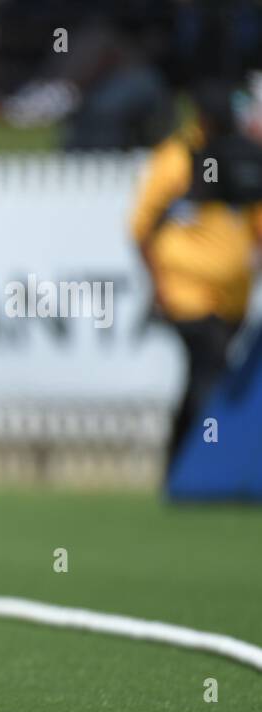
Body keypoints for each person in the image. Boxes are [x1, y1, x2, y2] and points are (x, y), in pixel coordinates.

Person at [130, 81, 262, 479]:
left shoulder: (244, 159)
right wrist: (158, 286)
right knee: (212, 374)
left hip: (232, 299)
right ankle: (210, 467)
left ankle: (178, 465)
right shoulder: (176, 160)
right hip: (186, 294)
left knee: (199, 378)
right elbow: (140, 229)